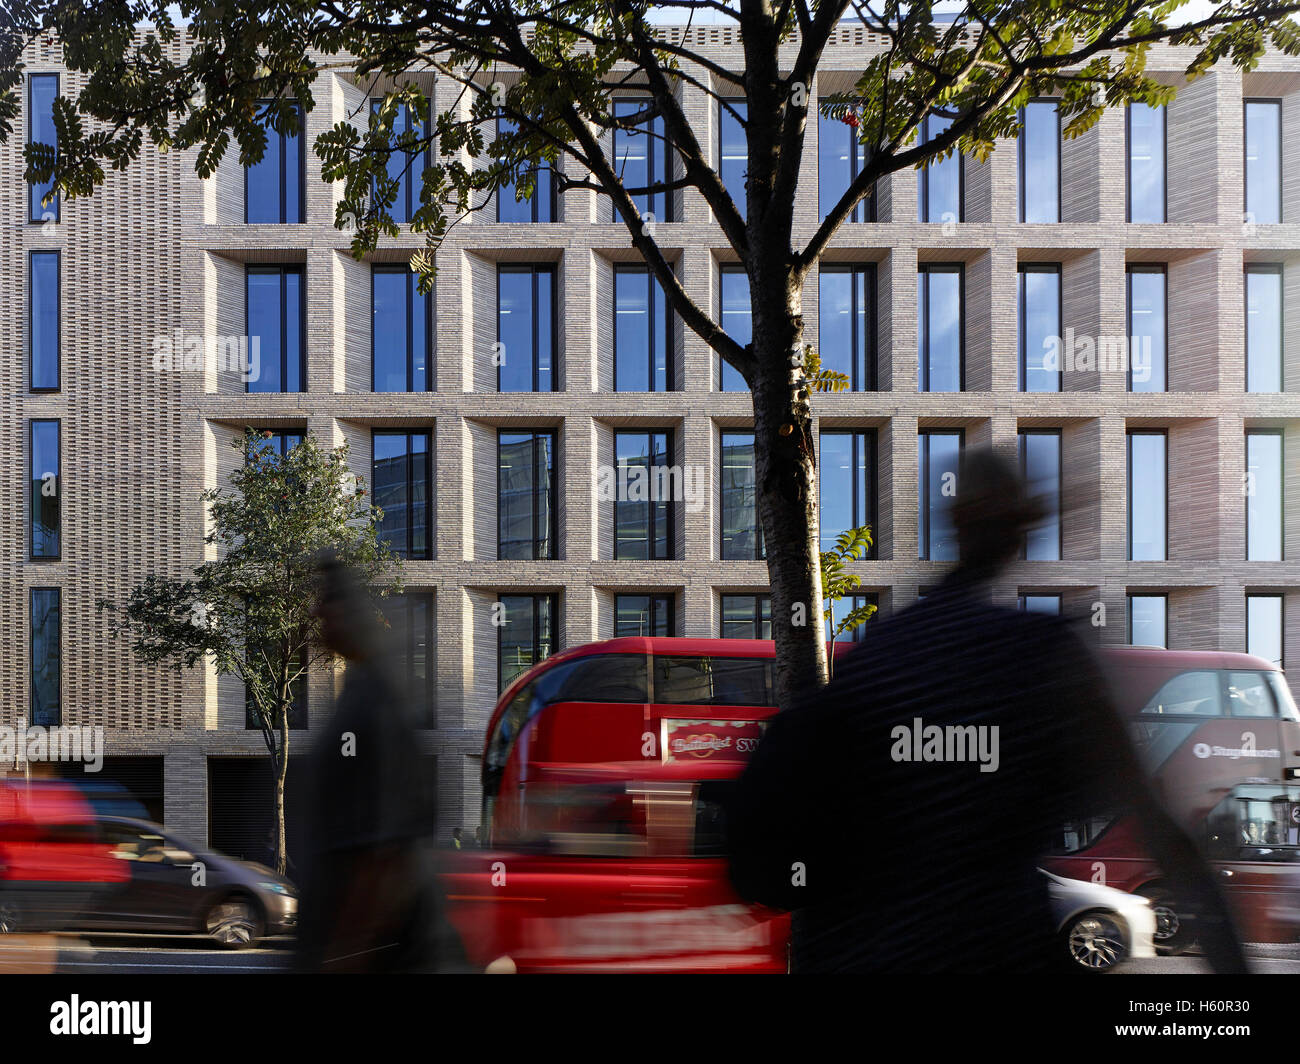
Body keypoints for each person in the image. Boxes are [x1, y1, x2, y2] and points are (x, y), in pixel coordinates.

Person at [727, 447, 1248, 974]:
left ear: (953, 521)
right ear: (1024, 529)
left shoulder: (881, 650)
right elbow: (1157, 824)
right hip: (990, 948)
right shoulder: (1041, 653)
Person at [294, 554, 448, 973]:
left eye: (328, 602)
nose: (318, 615)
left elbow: (383, 855)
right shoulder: (360, 692)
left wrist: (344, 955)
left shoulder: (374, 702)